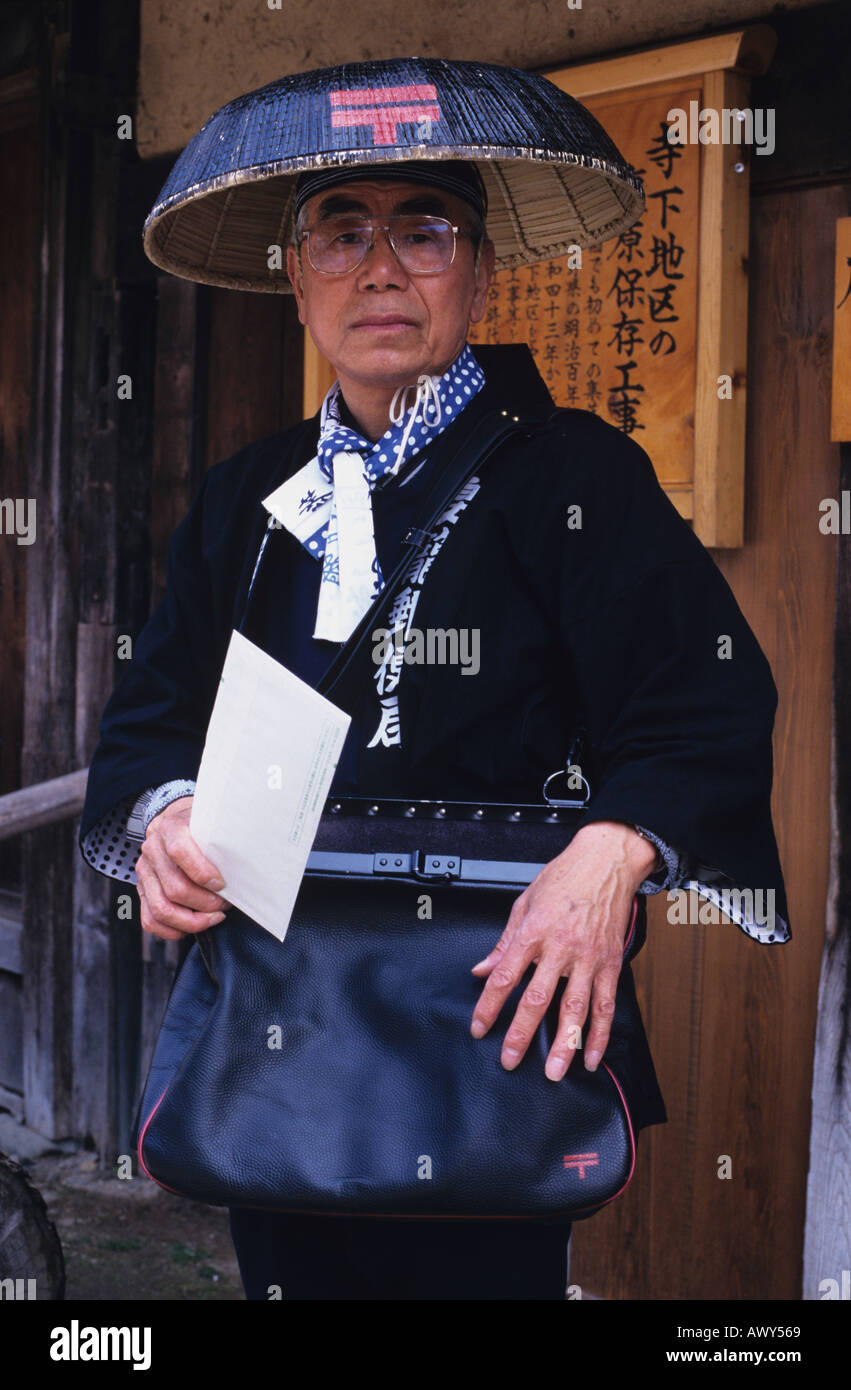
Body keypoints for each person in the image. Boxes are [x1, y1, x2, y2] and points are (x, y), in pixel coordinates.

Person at [79, 58, 790, 1300]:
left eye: (423, 228)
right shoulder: (248, 494)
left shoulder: (574, 475)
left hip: (490, 995)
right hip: (282, 995)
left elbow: (703, 693)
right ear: (295, 281)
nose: (380, 266)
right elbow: (153, 712)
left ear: (478, 268)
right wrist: (164, 817)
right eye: (339, 233)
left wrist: (614, 850)